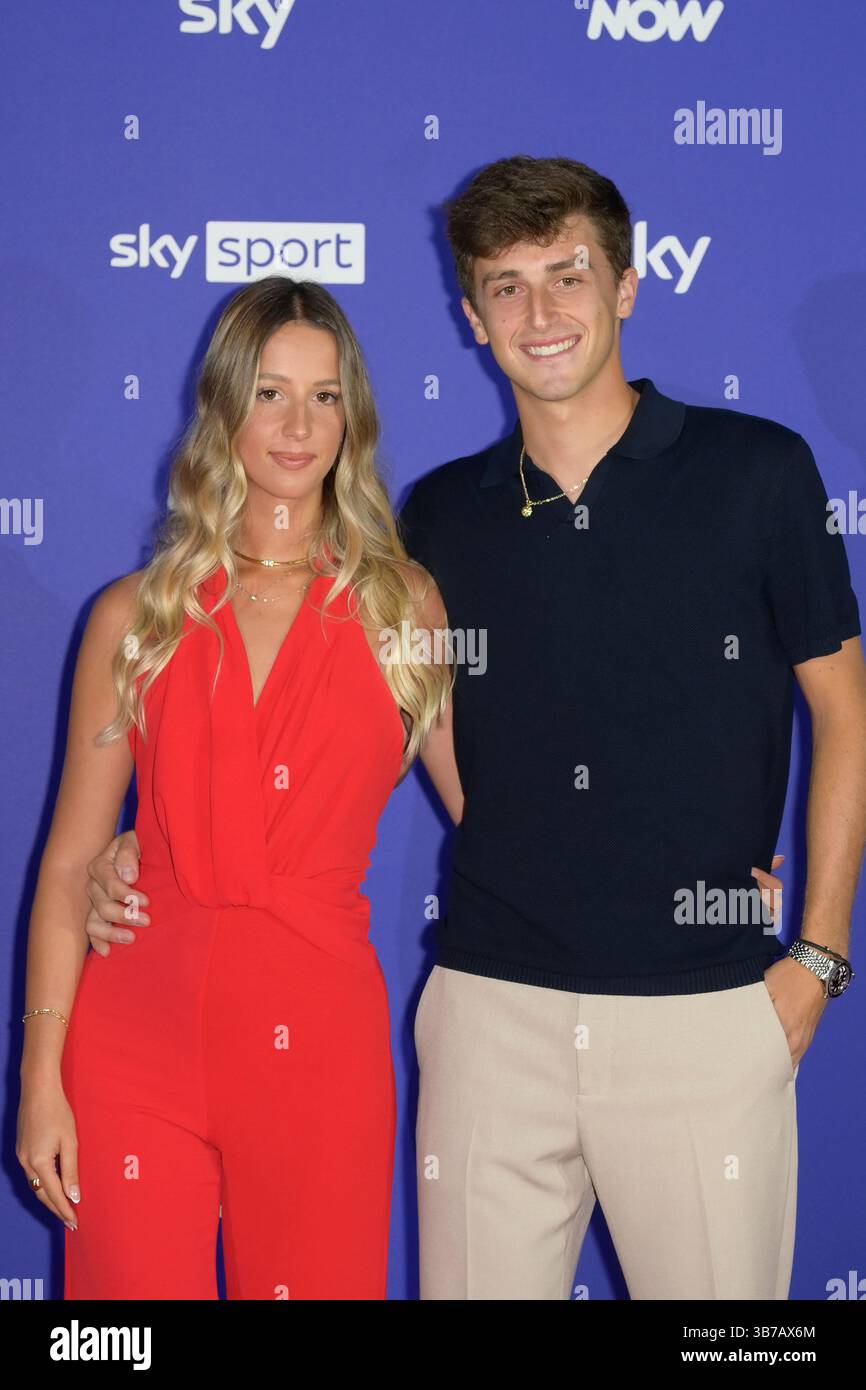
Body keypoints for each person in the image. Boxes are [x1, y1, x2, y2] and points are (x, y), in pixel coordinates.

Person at [81, 155, 866, 1301]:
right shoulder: (436, 522)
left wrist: (815, 956)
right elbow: (401, 751)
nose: (539, 314)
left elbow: (843, 712)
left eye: (566, 275)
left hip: (705, 1007)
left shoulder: (759, 472)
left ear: (627, 286)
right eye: (506, 286)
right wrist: (133, 846)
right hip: (489, 1014)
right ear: (471, 316)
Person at [16, 275, 455, 1300]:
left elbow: (501, 809)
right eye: (268, 393)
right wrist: (38, 1078)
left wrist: (689, 854)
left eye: (324, 395)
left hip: (318, 1053)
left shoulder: (405, 606)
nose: (298, 425)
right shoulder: (137, 614)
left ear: (354, 414)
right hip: (132, 1045)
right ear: (221, 408)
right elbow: (73, 860)